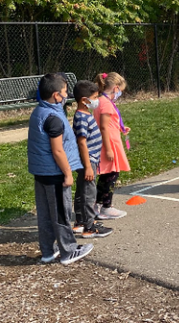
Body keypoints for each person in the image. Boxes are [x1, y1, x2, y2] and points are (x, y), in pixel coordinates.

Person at [27, 73, 93, 265]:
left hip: (41, 173)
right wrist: (67, 173)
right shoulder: (53, 118)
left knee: (46, 214)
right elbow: (57, 150)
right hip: (55, 174)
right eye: (64, 92)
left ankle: (48, 251)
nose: (66, 95)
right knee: (61, 214)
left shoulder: (38, 111)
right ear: (56, 95)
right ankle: (68, 251)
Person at [72, 80, 113, 239]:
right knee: (89, 194)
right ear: (84, 100)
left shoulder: (85, 114)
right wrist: (88, 166)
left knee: (83, 190)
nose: (97, 101)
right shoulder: (81, 117)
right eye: (95, 97)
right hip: (88, 161)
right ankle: (89, 227)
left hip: (90, 160)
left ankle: (81, 222)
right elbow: (82, 142)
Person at [93, 72, 130, 220]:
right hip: (109, 144)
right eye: (120, 90)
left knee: (107, 174)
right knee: (112, 174)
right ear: (115, 88)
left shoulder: (101, 101)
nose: (120, 93)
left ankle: (97, 203)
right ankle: (106, 207)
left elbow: (108, 123)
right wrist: (108, 149)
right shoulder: (106, 104)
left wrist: (121, 127)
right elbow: (103, 127)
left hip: (110, 141)